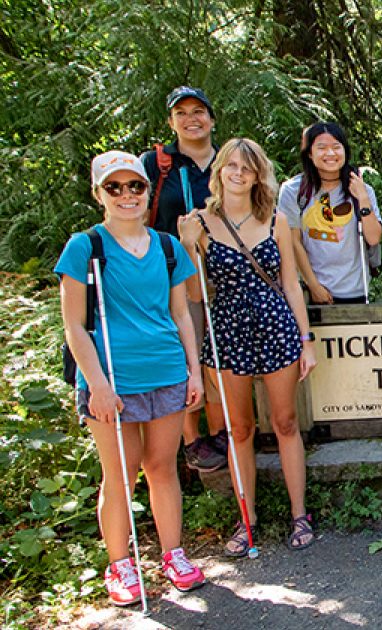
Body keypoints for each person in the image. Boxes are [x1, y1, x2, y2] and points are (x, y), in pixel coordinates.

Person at [58, 151, 206, 606]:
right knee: (119, 476)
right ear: (98, 193)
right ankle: (120, 564)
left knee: (162, 469)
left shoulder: (166, 246)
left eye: (135, 186)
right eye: (114, 187)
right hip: (112, 379)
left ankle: (172, 554)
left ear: (147, 191)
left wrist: (194, 370)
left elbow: (181, 312)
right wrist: (97, 384)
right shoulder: (85, 246)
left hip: (165, 371)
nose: (127, 196)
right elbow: (74, 326)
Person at [178, 138, 318, 556]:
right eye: (231, 166)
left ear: (259, 175)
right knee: (239, 429)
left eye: (248, 167)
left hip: (276, 326)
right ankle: (247, 518)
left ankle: (299, 514)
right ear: (219, 170)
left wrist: (305, 340)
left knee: (286, 422)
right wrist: (187, 246)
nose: (238, 173)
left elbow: (291, 284)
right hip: (228, 332)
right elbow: (196, 294)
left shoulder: (273, 219)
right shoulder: (199, 224)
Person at [140, 85, 225, 473]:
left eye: (198, 111)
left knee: (219, 353)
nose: (192, 119)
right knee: (185, 350)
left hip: (224, 273)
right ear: (171, 121)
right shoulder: (157, 165)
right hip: (174, 275)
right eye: (182, 113)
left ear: (211, 117)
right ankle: (193, 439)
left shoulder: (228, 161)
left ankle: (224, 430)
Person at [279, 121, 382, 304]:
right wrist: (313, 286)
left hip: (356, 290)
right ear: (310, 154)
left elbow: (373, 238)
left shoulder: (361, 189)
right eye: (321, 148)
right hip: (311, 292)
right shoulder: (293, 191)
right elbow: (293, 241)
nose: (330, 153)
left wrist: (363, 199)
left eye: (336, 147)